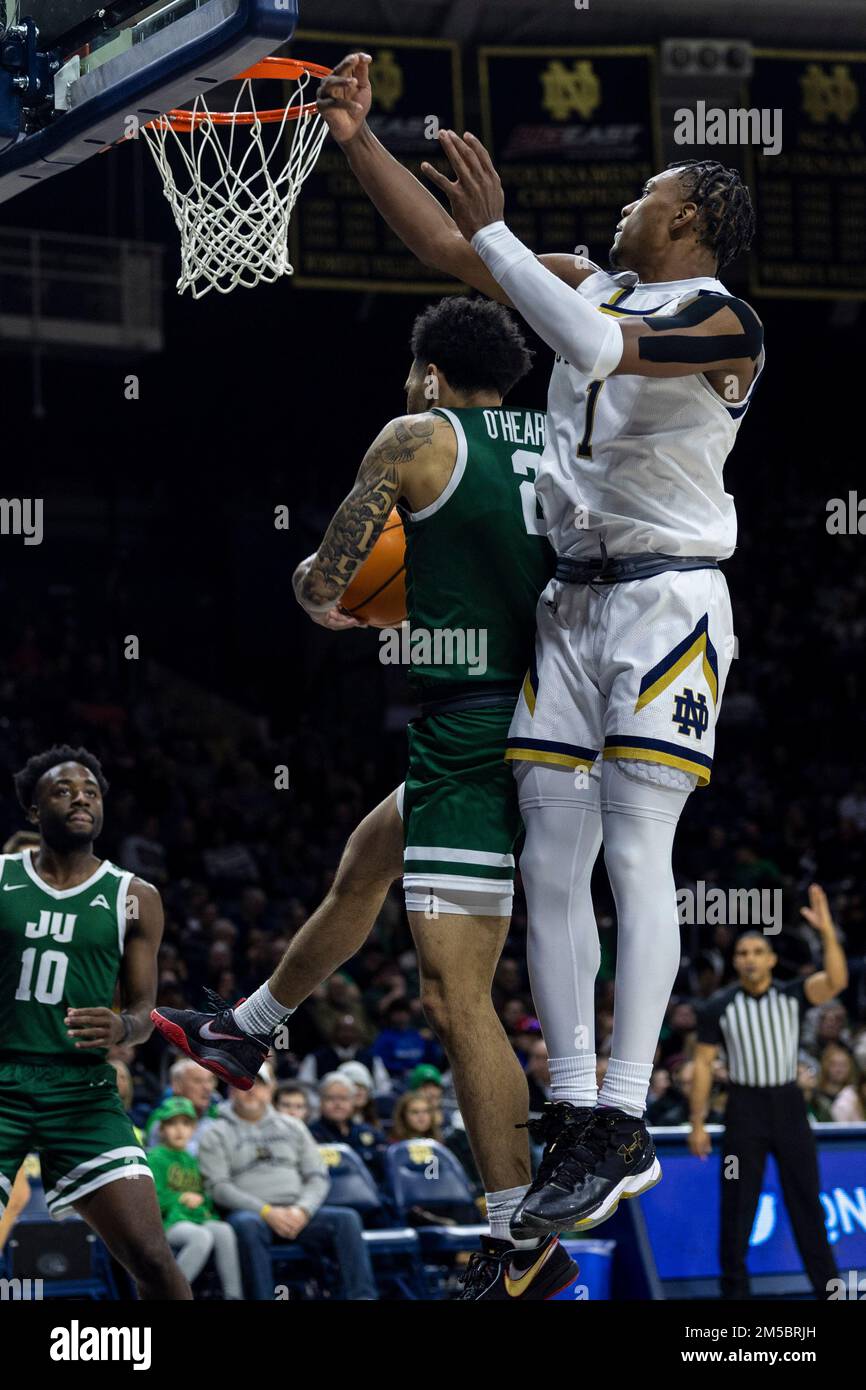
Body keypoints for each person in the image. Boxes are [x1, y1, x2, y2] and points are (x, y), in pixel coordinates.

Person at [306, 54, 767, 1241]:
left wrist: (505, 238)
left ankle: (621, 1111)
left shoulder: (720, 319)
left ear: (688, 215)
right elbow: (454, 255)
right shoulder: (587, 278)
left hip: (667, 601)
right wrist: (356, 142)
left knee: (633, 843)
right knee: (552, 843)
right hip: (570, 601)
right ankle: (570, 1103)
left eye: (643, 193)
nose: (621, 208)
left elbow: (595, 347)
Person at [151, 295, 581, 1299]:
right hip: (560, 716)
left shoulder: (414, 436)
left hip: (472, 727)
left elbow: (320, 589)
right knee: (366, 858)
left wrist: (342, 589)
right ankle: (248, 1026)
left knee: (451, 992)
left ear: (430, 374)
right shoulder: (564, 433)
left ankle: (521, 1240)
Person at [0, 745, 190, 1299]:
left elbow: (143, 1012)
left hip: (82, 1092)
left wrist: (121, 1029)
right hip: (3, 1081)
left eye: (91, 791)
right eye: (62, 790)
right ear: (34, 812)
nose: (81, 797)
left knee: (153, 1258)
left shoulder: (136, 898)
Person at [688, 886, 847, 1299]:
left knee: (807, 1204)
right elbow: (703, 1064)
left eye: (758, 951)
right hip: (743, 1111)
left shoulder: (793, 994)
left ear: (772, 960)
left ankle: (830, 1292)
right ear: (735, 962)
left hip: (789, 1106)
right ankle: (735, 1297)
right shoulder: (717, 1006)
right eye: (743, 953)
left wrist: (827, 932)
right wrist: (698, 1122)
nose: (750, 958)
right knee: (737, 1207)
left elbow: (837, 980)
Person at [197, 1067, 378, 1301]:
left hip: (297, 1213)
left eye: (259, 1084)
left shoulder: (293, 1127)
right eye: (242, 1083)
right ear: (231, 1089)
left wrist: (303, 1209)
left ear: (271, 1089)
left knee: (347, 1219)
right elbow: (218, 1187)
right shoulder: (215, 1133)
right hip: (253, 1215)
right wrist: (266, 1211)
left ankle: (362, 1297)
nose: (251, 1090)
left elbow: (317, 1176)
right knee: (246, 1224)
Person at [147, 1097, 243, 1298]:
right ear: (161, 1129)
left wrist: (201, 1200)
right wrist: (180, 1198)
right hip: (169, 1223)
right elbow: (151, 1199)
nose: (179, 1130)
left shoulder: (193, 1160)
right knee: (202, 1236)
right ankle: (170, 1294)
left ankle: (233, 1296)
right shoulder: (155, 1157)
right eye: (172, 1124)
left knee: (224, 1230)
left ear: (193, 1129)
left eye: (185, 1124)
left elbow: (204, 1194)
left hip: (196, 1218)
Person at [309, 1073, 387, 1180]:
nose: (337, 1104)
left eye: (343, 1098)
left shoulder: (369, 1132)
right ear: (321, 1102)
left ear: (353, 1101)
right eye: (330, 1098)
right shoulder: (310, 1134)